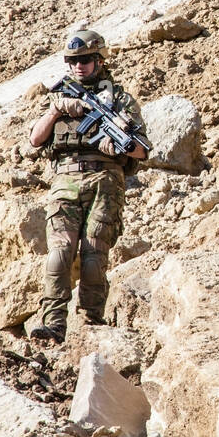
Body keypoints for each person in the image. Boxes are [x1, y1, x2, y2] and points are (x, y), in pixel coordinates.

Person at [26, 29, 148, 343]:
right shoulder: (58, 96)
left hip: (105, 182)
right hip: (65, 180)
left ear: (98, 60)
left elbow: (142, 151)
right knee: (60, 254)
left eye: (85, 60)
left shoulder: (118, 99)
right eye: (72, 61)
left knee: (94, 257)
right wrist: (56, 110)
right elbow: (35, 140)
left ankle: (92, 323)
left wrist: (116, 145)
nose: (79, 67)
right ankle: (53, 326)